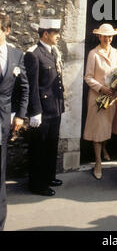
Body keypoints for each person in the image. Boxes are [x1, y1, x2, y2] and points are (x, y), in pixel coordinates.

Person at [24, 18, 64, 197]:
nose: (59, 36)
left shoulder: (53, 51)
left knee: (51, 145)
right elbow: (32, 86)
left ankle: (48, 176)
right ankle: (37, 184)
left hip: (55, 107)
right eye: (55, 33)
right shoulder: (34, 54)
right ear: (45, 34)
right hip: (42, 110)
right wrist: (35, 112)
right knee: (38, 148)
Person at [0, 13, 29, 231]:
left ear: (7, 30)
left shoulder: (16, 56)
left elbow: (24, 88)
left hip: (2, 122)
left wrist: (19, 115)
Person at [83, 23, 117, 180]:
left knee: (108, 126)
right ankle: (98, 162)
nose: (108, 39)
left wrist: (116, 86)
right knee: (98, 130)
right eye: (105, 36)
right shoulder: (94, 54)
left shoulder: (116, 52)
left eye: (110, 36)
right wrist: (101, 88)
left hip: (112, 96)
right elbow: (88, 77)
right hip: (97, 97)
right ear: (99, 36)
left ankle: (104, 149)